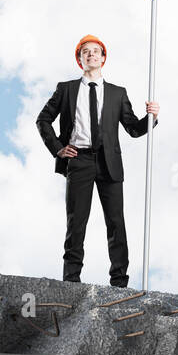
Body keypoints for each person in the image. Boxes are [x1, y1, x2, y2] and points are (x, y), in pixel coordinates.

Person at [36, 34, 159, 286]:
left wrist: (151, 118)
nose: (90, 54)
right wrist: (58, 148)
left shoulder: (117, 93)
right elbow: (43, 120)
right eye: (85, 52)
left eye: (95, 51)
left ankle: (120, 282)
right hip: (78, 160)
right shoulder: (66, 89)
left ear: (103, 58)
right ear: (80, 59)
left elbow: (133, 129)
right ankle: (71, 281)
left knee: (116, 222)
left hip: (109, 163)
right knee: (76, 221)